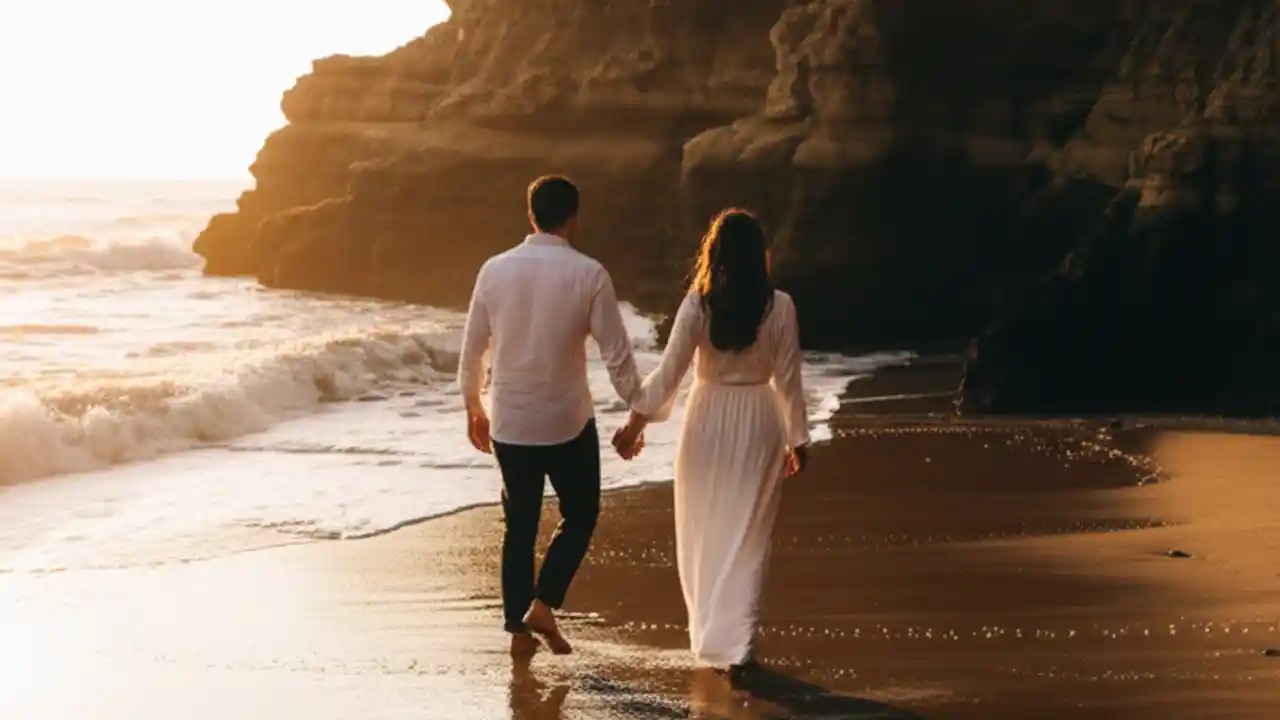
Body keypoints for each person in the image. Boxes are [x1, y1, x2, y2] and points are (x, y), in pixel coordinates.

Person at [613, 208, 809, 672]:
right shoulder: (779, 305)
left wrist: (635, 425)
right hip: (760, 418)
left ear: (714, 254)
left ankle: (712, 636)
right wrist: (798, 439)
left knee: (704, 532)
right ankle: (737, 642)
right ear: (759, 254)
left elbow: (667, 377)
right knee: (748, 536)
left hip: (706, 421)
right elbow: (789, 378)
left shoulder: (698, 304)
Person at [458, 175, 645, 658]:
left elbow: (472, 347)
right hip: (566, 423)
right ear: (573, 218)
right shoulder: (589, 274)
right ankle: (542, 604)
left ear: (531, 215)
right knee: (580, 514)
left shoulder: (493, 270)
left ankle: (518, 630)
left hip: (511, 422)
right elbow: (618, 359)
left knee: (518, 527)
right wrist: (639, 412)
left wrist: (473, 406)